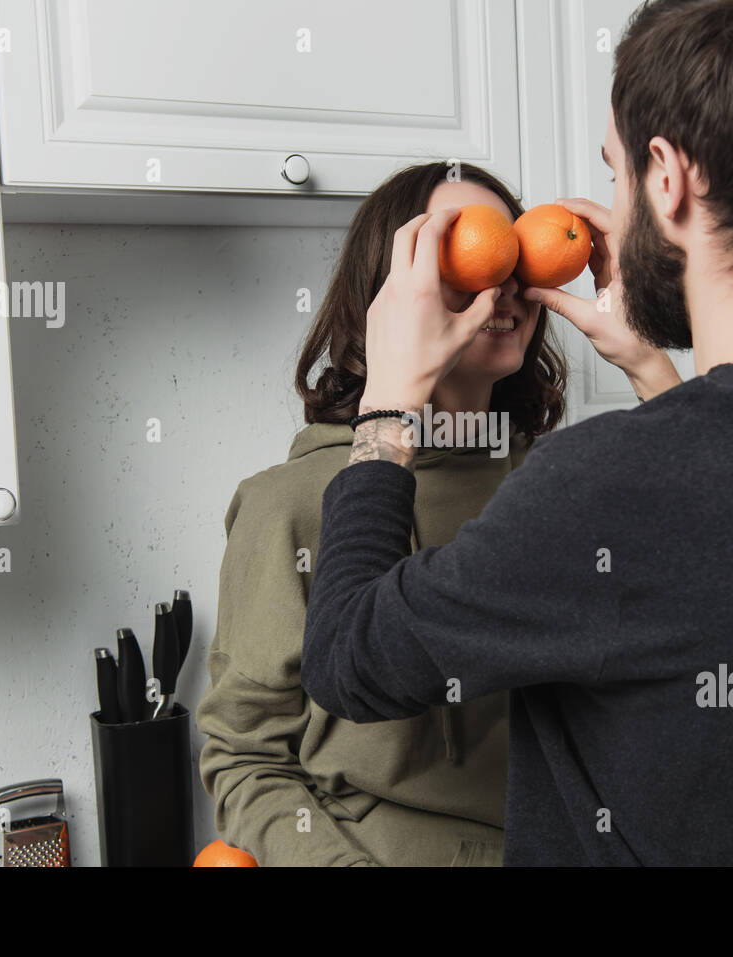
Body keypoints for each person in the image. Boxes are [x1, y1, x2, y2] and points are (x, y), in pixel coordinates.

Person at [301, 0, 733, 865]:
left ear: (667, 177)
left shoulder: (607, 485)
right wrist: (657, 375)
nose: (612, 209)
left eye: (619, 174)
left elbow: (347, 655)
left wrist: (389, 397)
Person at [196, 162, 566, 866]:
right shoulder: (290, 503)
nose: (504, 284)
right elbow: (247, 758)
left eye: (515, 250)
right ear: (388, 294)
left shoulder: (558, 486)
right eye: (465, 249)